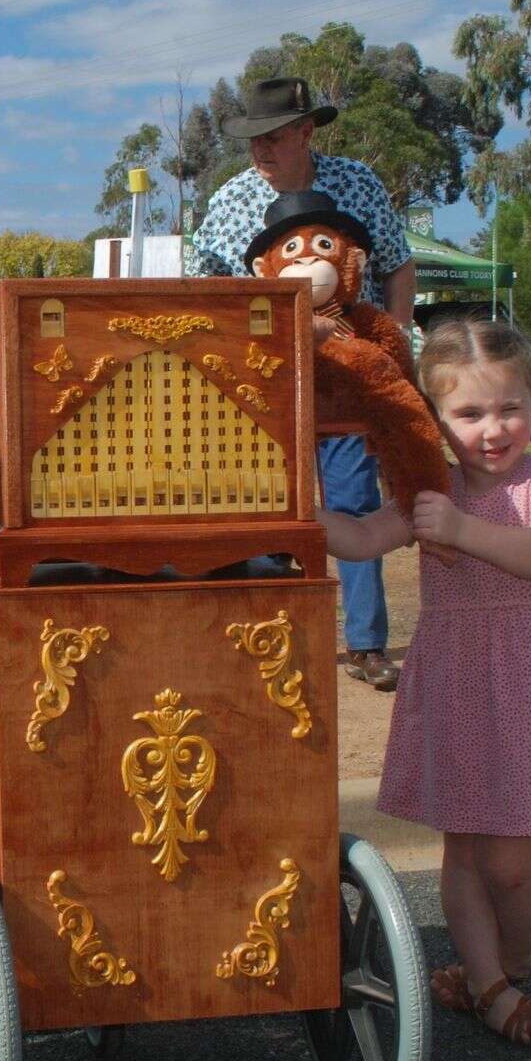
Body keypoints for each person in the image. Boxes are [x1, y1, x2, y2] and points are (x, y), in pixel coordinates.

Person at [316, 319, 531, 1047]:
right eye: (468, 413)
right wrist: (290, 508)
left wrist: (457, 529)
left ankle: (511, 962)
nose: (493, 429)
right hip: (458, 686)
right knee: (462, 850)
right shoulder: (432, 490)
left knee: (512, 868)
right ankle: (491, 989)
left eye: (509, 408)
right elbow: (360, 539)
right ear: (433, 418)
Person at [186, 76, 416, 691]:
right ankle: (255, 630)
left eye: (273, 136)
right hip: (262, 379)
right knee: (259, 499)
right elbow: (200, 283)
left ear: (307, 131)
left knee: (352, 499)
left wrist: (395, 337)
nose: (260, 149)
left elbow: (397, 263)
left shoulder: (357, 184)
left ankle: (365, 644)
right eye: (252, 139)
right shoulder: (229, 200)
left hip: (345, 370)